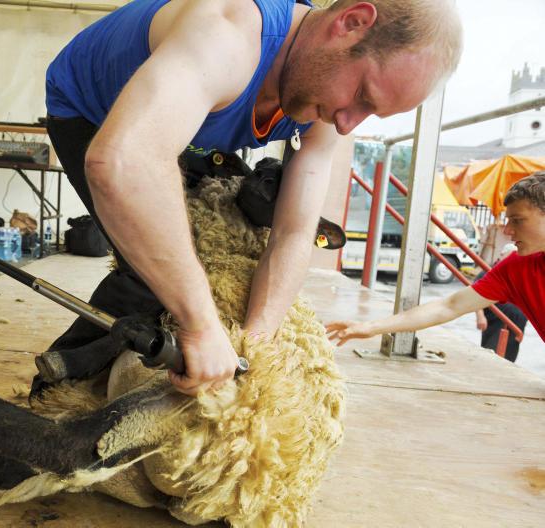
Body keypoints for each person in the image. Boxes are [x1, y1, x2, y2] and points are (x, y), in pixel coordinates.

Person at [44, 0, 463, 395]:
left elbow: (294, 232)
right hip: (90, 107)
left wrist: (254, 344)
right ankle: (60, 385)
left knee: (207, 260)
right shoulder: (227, 33)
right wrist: (200, 325)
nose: (348, 124)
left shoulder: (328, 103)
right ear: (351, 23)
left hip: (192, 125)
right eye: (362, 97)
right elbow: (124, 162)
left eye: (372, 114)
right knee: (150, 272)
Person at [327, 172, 545, 346]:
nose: (507, 230)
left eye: (517, 220)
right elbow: (449, 306)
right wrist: (371, 327)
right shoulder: (517, 268)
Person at [474, 243, 528, 362]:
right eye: (511, 257)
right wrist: (480, 316)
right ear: (502, 256)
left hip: (515, 325)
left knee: (509, 357)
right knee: (490, 354)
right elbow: (475, 297)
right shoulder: (487, 273)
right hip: (495, 322)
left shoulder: (520, 274)